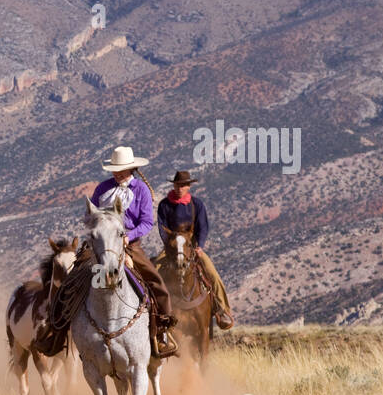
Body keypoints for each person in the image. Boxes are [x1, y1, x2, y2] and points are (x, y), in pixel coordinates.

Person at [32, 146, 177, 358]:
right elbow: (88, 215)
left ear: (131, 169)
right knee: (71, 282)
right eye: (115, 169)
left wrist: (129, 235)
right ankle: (57, 332)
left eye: (122, 169)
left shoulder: (141, 190)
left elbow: (146, 222)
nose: (117, 173)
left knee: (155, 282)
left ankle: (161, 331)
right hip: (100, 245)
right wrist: (94, 225)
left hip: (129, 244)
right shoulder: (103, 188)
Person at [155, 170, 234, 330]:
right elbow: (162, 228)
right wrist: (169, 245)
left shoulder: (196, 205)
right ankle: (154, 311)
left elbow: (203, 227)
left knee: (212, 274)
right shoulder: (164, 204)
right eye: (177, 185)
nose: (180, 188)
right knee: (154, 271)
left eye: (183, 185)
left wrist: (200, 246)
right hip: (171, 247)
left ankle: (222, 310)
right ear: (174, 185)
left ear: (188, 186)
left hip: (191, 247)